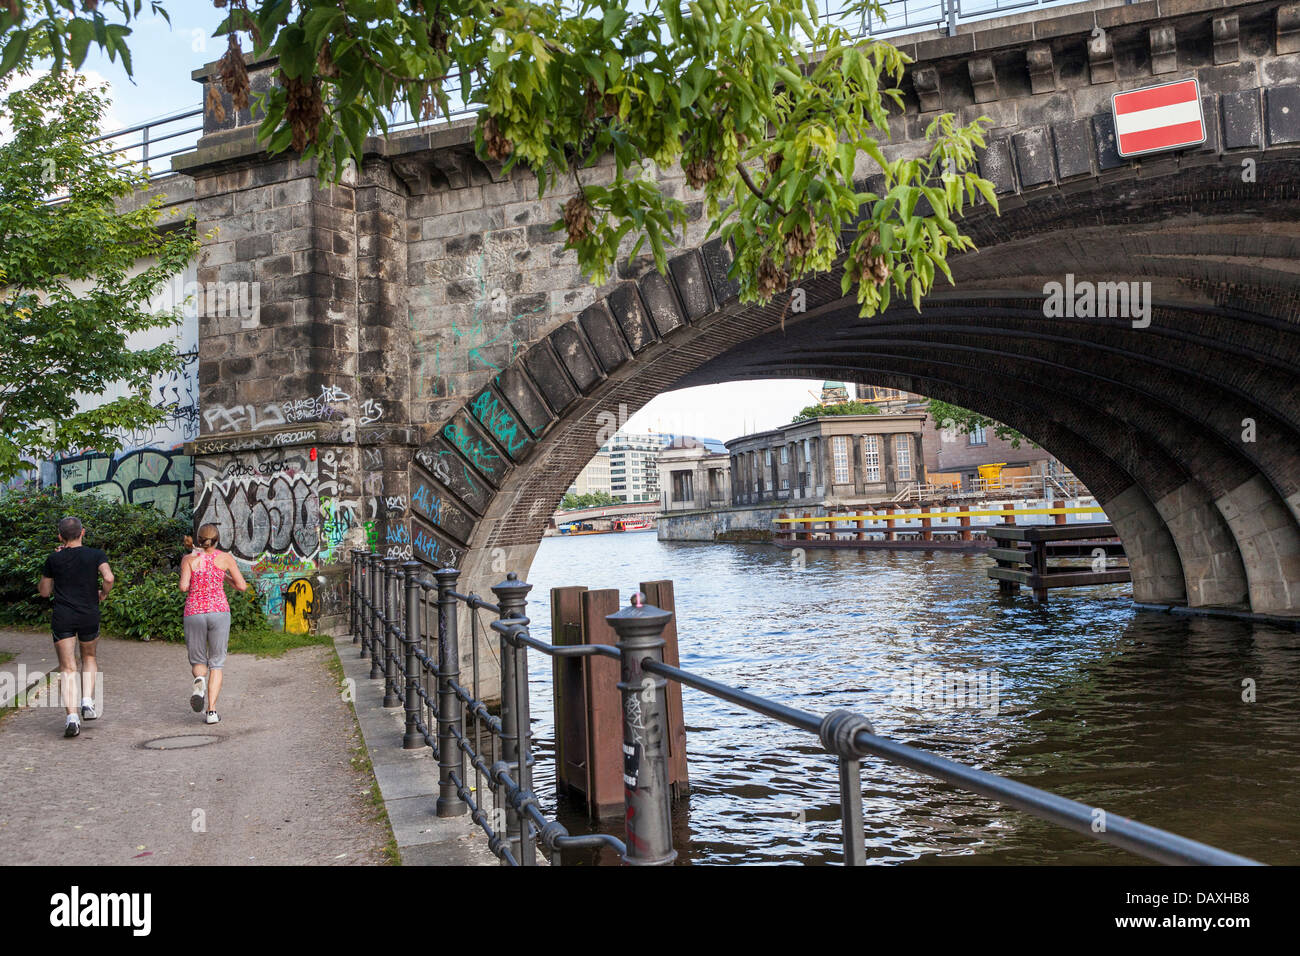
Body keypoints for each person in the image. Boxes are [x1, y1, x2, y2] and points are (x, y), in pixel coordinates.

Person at [37, 516, 113, 738]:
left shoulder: (54, 558)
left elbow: (44, 591)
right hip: (89, 614)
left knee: (67, 667)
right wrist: (103, 594)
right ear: (83, 532)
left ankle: (72, 718)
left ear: (60, 536)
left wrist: (52, 566)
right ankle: (87, 703)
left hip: (63, 617)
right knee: (89, 658)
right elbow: (108, 577)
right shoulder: (96, 555)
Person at [178, 524, 248, 724]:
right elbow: (242, 585)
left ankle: (199, 682)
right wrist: (224, 577)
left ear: (199, 540)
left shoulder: (189, 559)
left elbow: (184, 587)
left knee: (199, 660)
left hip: (194, 612)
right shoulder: (225, 558)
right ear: (217, 540)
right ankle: (211, 712)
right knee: (216, 662)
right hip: (219, 612)